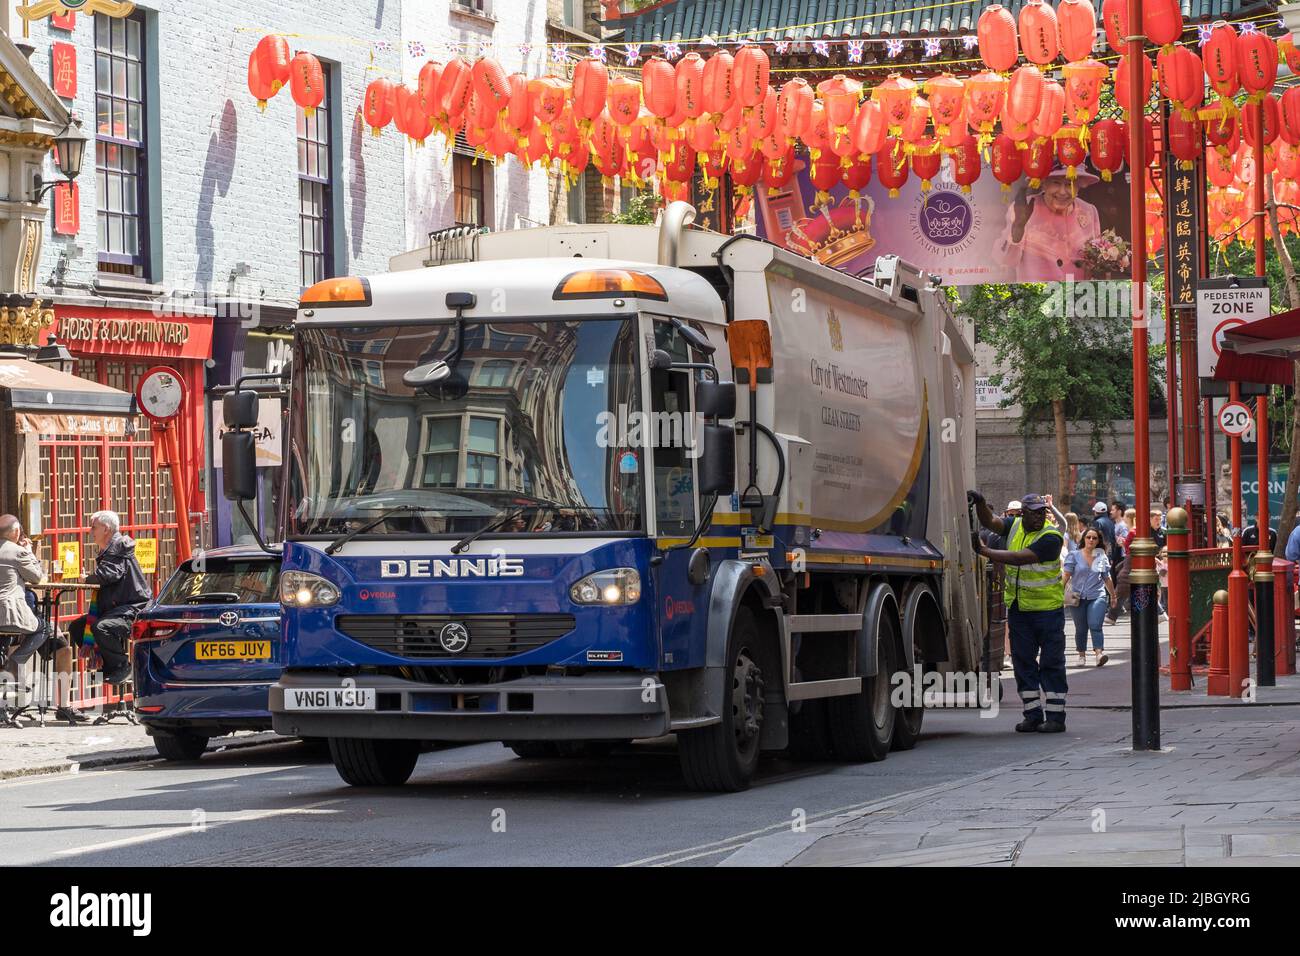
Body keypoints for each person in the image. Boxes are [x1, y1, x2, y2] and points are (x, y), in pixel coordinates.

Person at [969, 491, 1069, 733]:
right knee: (1023, 662)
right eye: (1033, 513)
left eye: (1041, 512)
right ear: (1022, 513)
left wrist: (984, 551)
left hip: (1047, 611)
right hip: (1019, 610)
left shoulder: (1051, 537)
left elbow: (1019, 558)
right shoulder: (1014, 526)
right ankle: (1032, 713)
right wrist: (981, 502)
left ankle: (1055, 717)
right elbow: (990, 522)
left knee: (1051, 662)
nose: (1038, 517)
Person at [67, 511, 151, 687]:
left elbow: (110, 574)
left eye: (94, 527)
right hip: (116, 608)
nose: (91, 531)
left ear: (106, 529)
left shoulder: (117, 546)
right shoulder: (111, 549)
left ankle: (121, 666)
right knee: (77, 627)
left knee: (101, 627)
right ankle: (108, 665)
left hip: (133, 609)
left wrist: (87, 579)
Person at [995, 167, 1103, 282]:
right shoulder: (1024, 207)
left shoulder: (1089, 210)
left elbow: (1095, 262)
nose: (1062, 191)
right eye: (1056, 183)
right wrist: (1017, 228)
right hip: (1038, 296)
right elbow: (1006, 261)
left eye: (1069, 184)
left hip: (1079, 295)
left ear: (1078, 186)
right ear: (1043, 183)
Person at [1063, 527, 1116, 667]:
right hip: (1077, 597)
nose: (1091, 540)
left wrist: (1114, 596)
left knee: (1095, 625)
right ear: (1083, 539)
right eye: (1088, 537)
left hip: (1097, 596)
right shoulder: (1073, 555)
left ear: (1098, 541)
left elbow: (1107, 578)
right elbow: (1066, 576)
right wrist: (1056, 594)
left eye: (1094, 538)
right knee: (1081, 628)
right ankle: (1081, 655)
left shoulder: (1101, 556)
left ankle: (1099, 654)